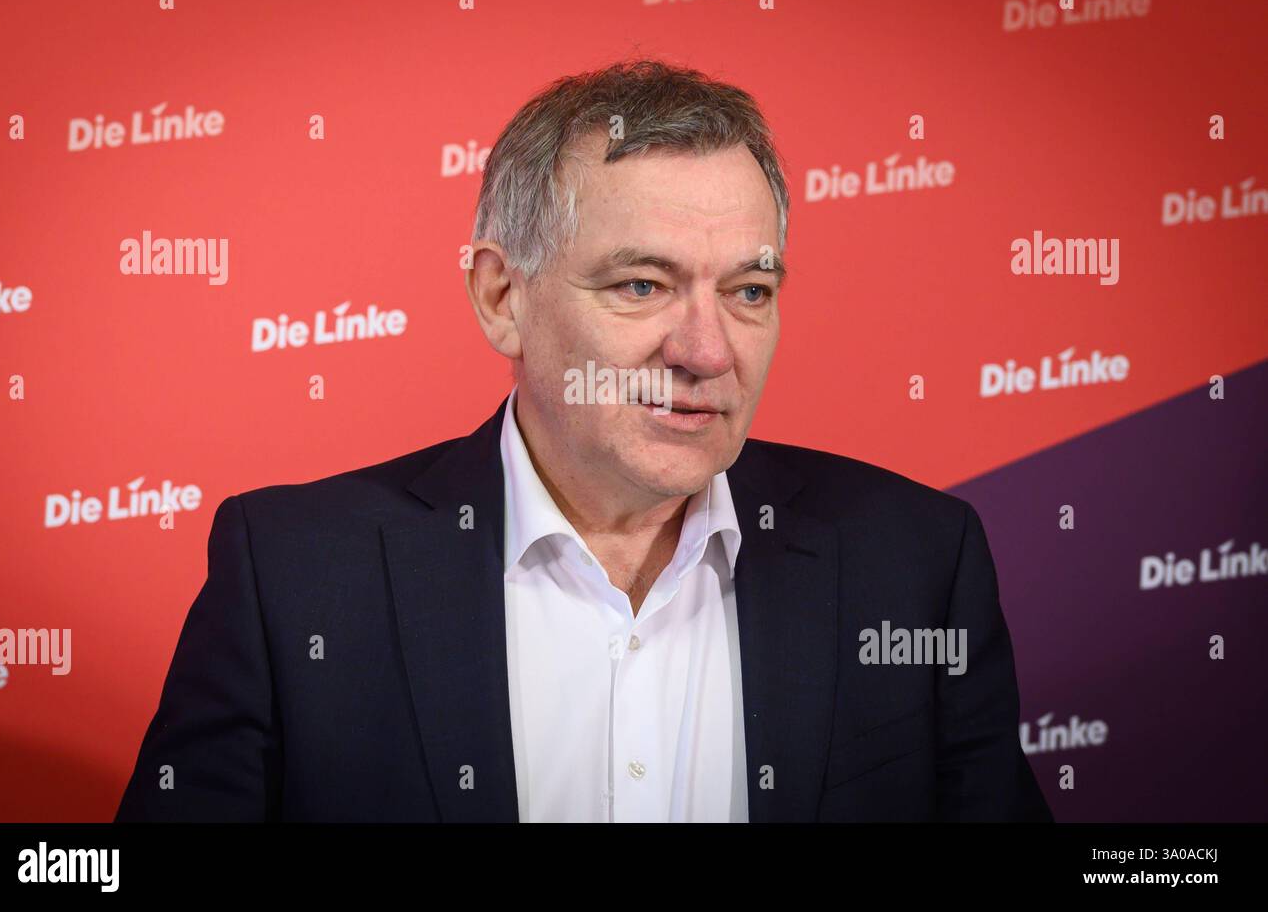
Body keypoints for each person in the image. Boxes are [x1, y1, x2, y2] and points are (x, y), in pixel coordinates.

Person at [115, 59, 1051, 822]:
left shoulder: (917, 559)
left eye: (749, 291)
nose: (707, 349)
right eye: (641, 285)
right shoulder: (294, 573)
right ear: (501, 297)